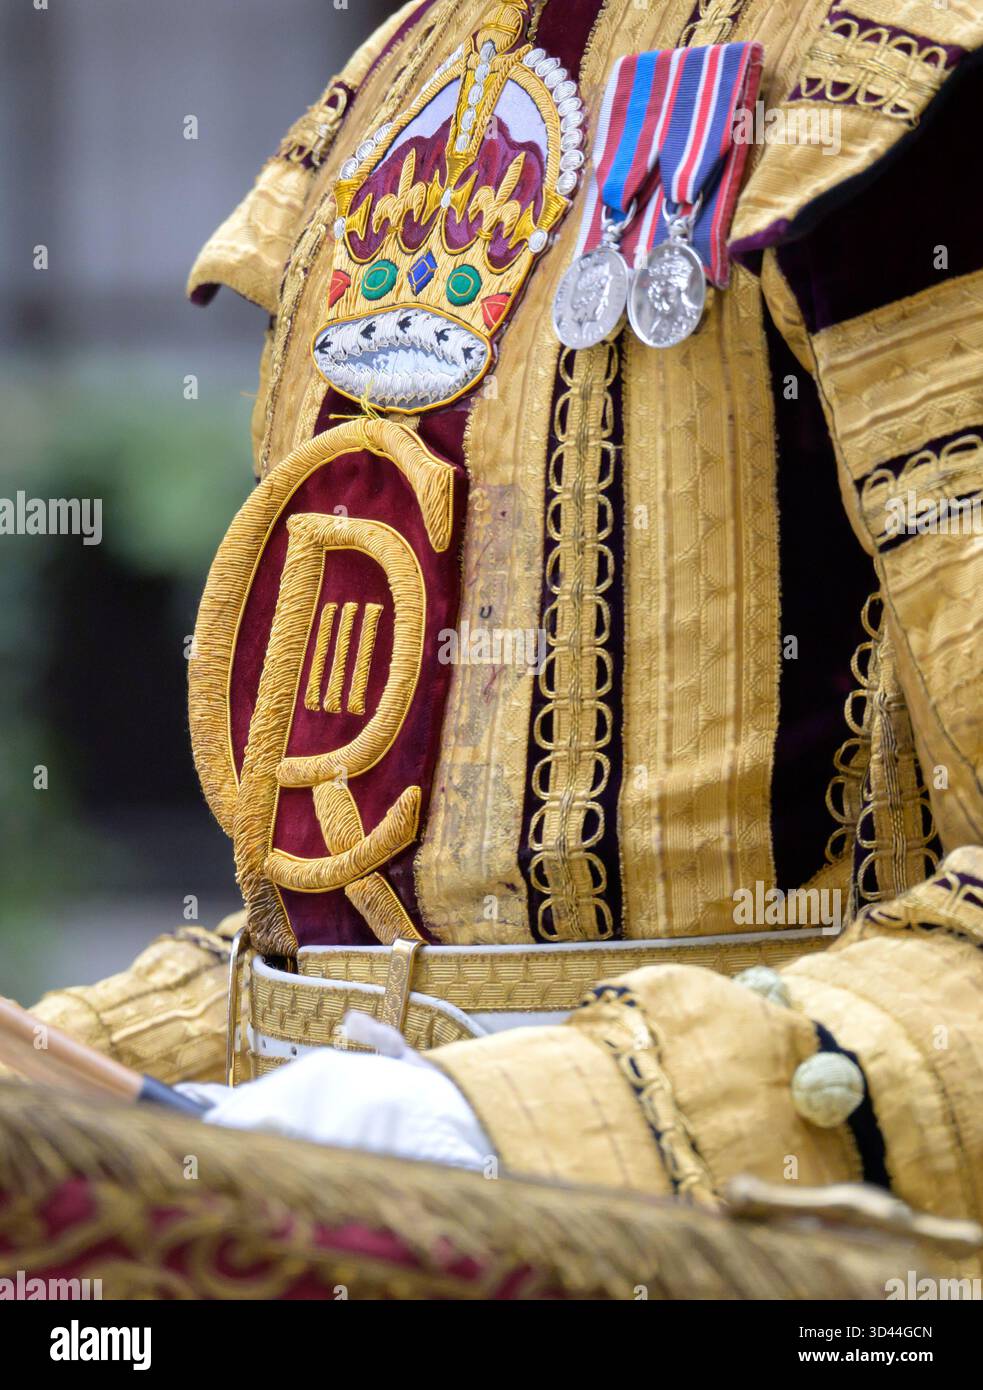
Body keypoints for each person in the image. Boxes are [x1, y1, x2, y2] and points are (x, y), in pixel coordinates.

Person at [13, 0, 983, 1242]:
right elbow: (350, 931)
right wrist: (76, 1070)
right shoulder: (411, 62)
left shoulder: (903, 64)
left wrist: (492, 1126)